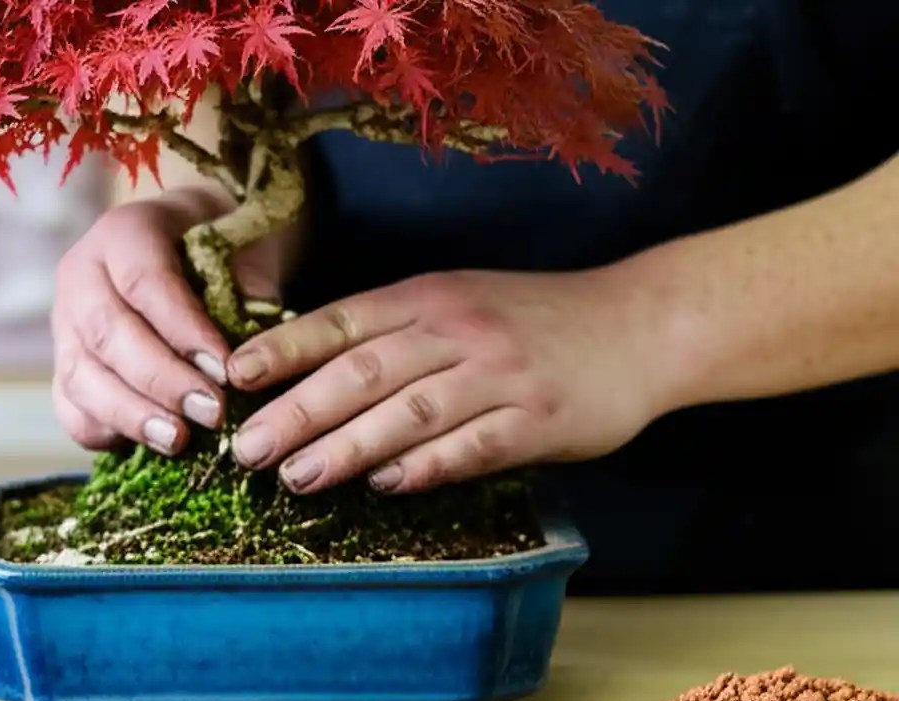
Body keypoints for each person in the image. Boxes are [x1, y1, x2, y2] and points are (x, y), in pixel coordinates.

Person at [50, 1, 899, 594]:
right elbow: (184, 48)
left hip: (790, 513)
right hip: (346, 461)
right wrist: (201, 202)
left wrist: (642, 321)